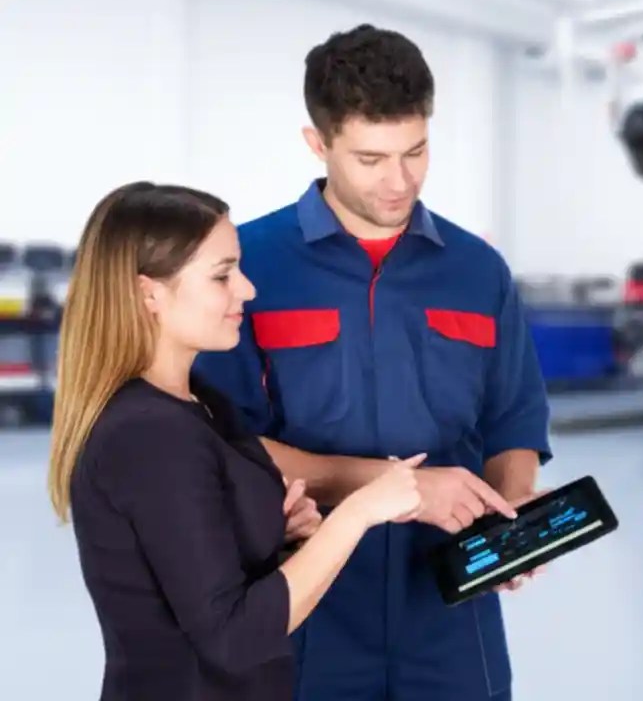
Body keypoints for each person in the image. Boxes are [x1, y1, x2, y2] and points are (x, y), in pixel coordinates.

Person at [191, 24, 554, 701]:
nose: (399, 180)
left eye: (415, 151)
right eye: (370, 158)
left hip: (453, 611)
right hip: (304, 602)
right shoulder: (244, 266)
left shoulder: (478, 271)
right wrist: (401, 489)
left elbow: (512, 421)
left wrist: (514, 512)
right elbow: (221, 446)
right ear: (318, 143)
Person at [45, 181, 489, 700]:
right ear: (150, 294)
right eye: (222, 276)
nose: (248, 291)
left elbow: (192, 576)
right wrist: (360, 510)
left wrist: (276, 543)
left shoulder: (201, 406)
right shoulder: (150, 434)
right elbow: (233, 637)